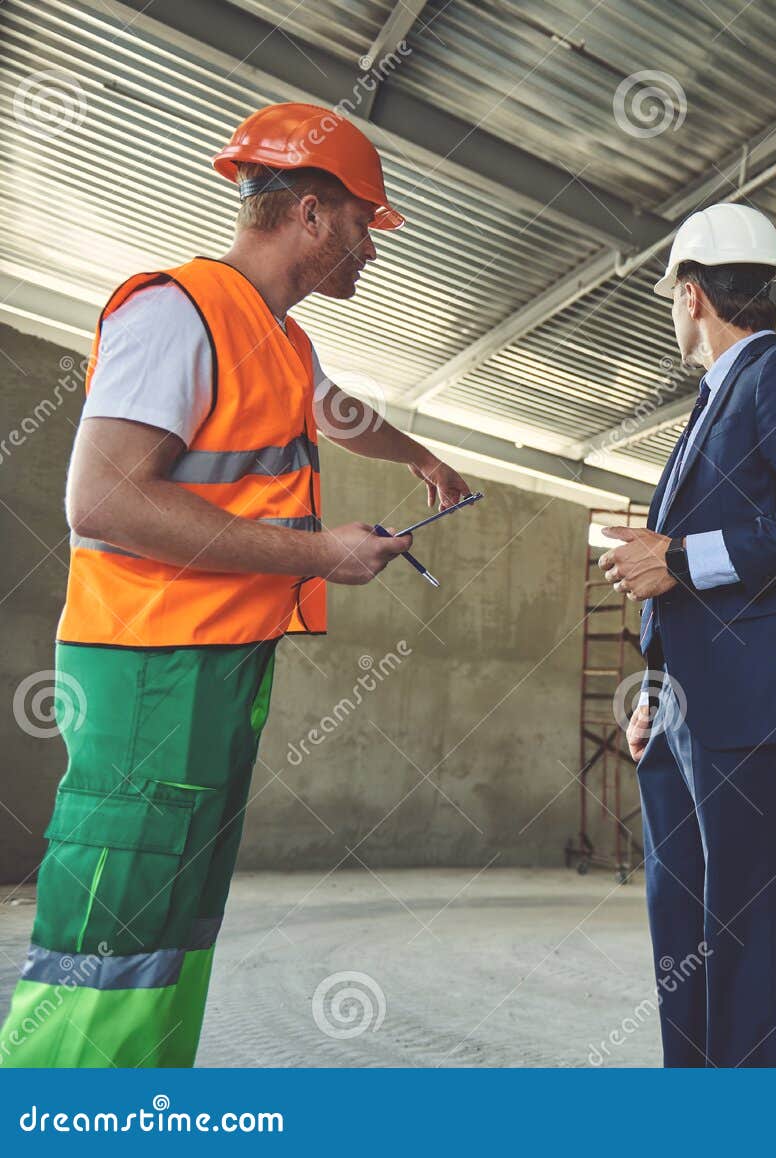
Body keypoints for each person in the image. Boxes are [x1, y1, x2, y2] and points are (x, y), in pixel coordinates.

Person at [0, 102, 472, 1068]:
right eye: (363, 227)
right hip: (149, 667)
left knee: (171, 931)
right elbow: (101, 500)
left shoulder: (281, 340)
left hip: (211, 667)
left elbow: (335, 415)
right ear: (309, 214)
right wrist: (318, 556)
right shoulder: (175, 310)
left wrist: (422, 455)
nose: (370, 253)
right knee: (114, 933)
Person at [598, 202, 776, 1066]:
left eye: (674, 292)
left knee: (753, 940)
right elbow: (685, 577)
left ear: (691, 293)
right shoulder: (709, 406)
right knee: (684, 937)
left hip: (758, 713)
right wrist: (656, 692)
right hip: (685, 718)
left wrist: (676, 556)